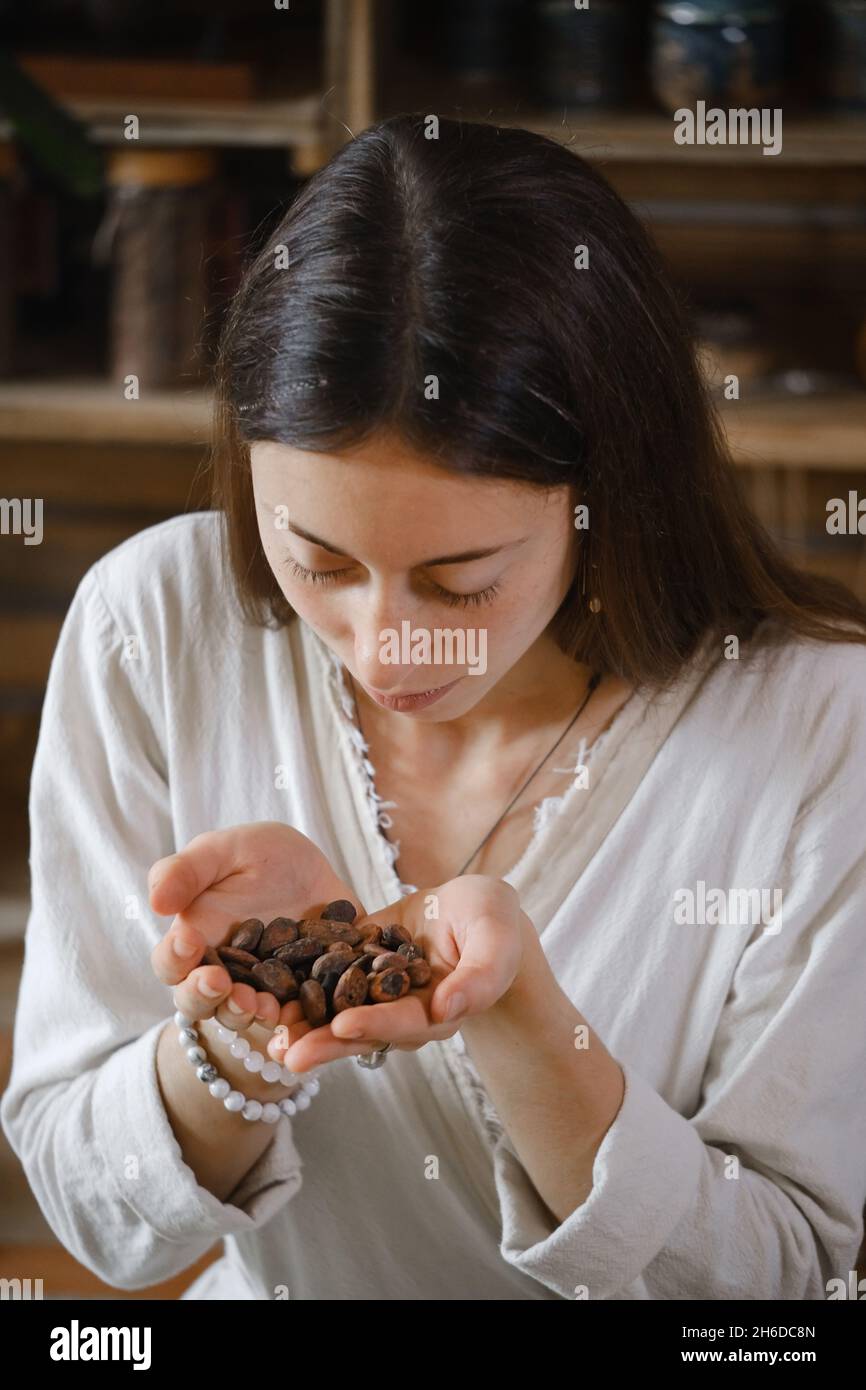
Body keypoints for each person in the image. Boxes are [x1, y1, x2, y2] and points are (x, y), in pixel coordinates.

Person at [3, 115, 865, 1301]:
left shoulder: (822, 729)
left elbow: (781, 1283)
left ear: (608, 495)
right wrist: (242, 1033)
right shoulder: (151, 624)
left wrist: (521, 1020)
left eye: (461, 580)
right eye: (318, 560)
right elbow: (102, 1226)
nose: (383, 643)